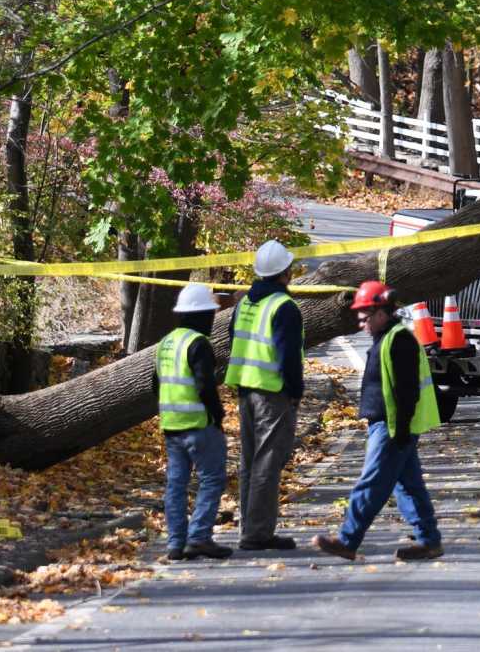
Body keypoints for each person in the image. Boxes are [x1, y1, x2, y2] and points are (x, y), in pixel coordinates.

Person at [312, 281, 443, 562]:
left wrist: (402, 429)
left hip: (392, 425)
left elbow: (406, 391)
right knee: (408, 486)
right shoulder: (388, 338)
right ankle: (429, 541)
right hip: (389, 425)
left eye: (365, 316)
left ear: (382, 312)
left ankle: (348, 540)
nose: (361, 322)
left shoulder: (399, 340)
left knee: (371, 483)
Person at [224, 238, 304, 551]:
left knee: (250, 461)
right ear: (284, 272)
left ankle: (250, 527)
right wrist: (295, 391)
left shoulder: (244, 303)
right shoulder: (284, 307)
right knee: (268, 463)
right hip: (273, 392)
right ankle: (257, 534)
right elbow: (289, 357)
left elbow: (234, 340)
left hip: (245, 390)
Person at [151, 282, 232, 562]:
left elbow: (155, 385)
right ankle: (198, 538)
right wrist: (218, 416)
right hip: (199, 425)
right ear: (200, 316)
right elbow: (205, 386)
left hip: (172, 426)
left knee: (176, 484)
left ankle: (176, 543)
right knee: (212, 479)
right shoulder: (198, 343)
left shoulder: (165, 343)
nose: (212, 320)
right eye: (210, 314)